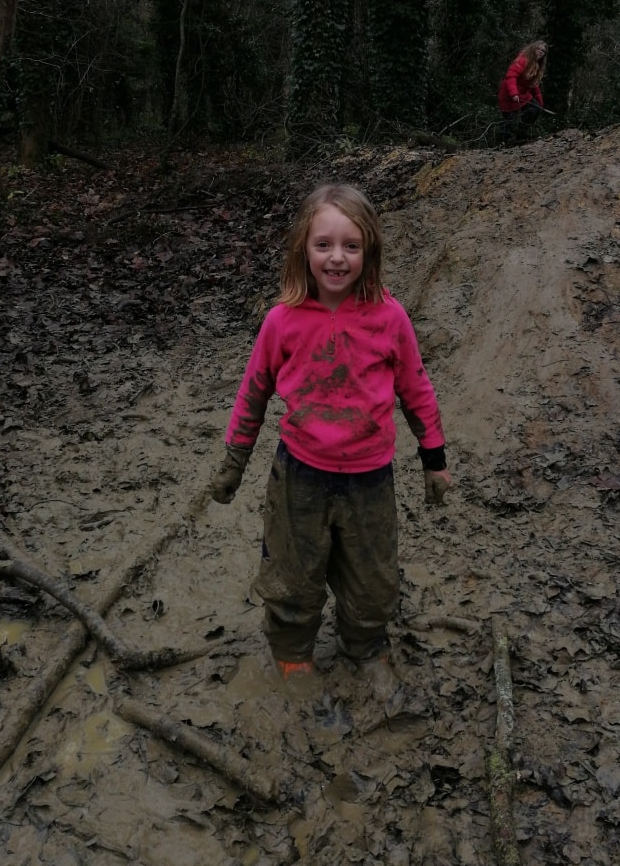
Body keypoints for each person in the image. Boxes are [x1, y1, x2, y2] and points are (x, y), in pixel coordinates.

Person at [208, 183, 452, 683]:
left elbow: (416, 389)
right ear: (304, 249)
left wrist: (434, 457)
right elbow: (253, 393)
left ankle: (364, 644)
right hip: (299, 477)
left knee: (372, 581)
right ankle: (294, 652)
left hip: (370, 481)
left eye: (351, 246)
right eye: (324, 245)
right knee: (293, 578)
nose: (337, 258)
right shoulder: (282, 321)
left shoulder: (390, 317)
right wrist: (234, 462)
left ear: (370, 251)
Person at [497, 39, 547, 143]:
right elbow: (511, 77)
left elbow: (534, 86)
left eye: (543, 51)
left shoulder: (536, 66)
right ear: (533, 49)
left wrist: (540, 102)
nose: (541, 52)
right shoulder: (522, 60)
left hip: (523, 94)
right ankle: (503, 142)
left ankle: (521, 133)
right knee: (509, 120)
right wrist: (513, 93)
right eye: (539, 49)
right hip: (508, 94)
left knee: (535, 109)